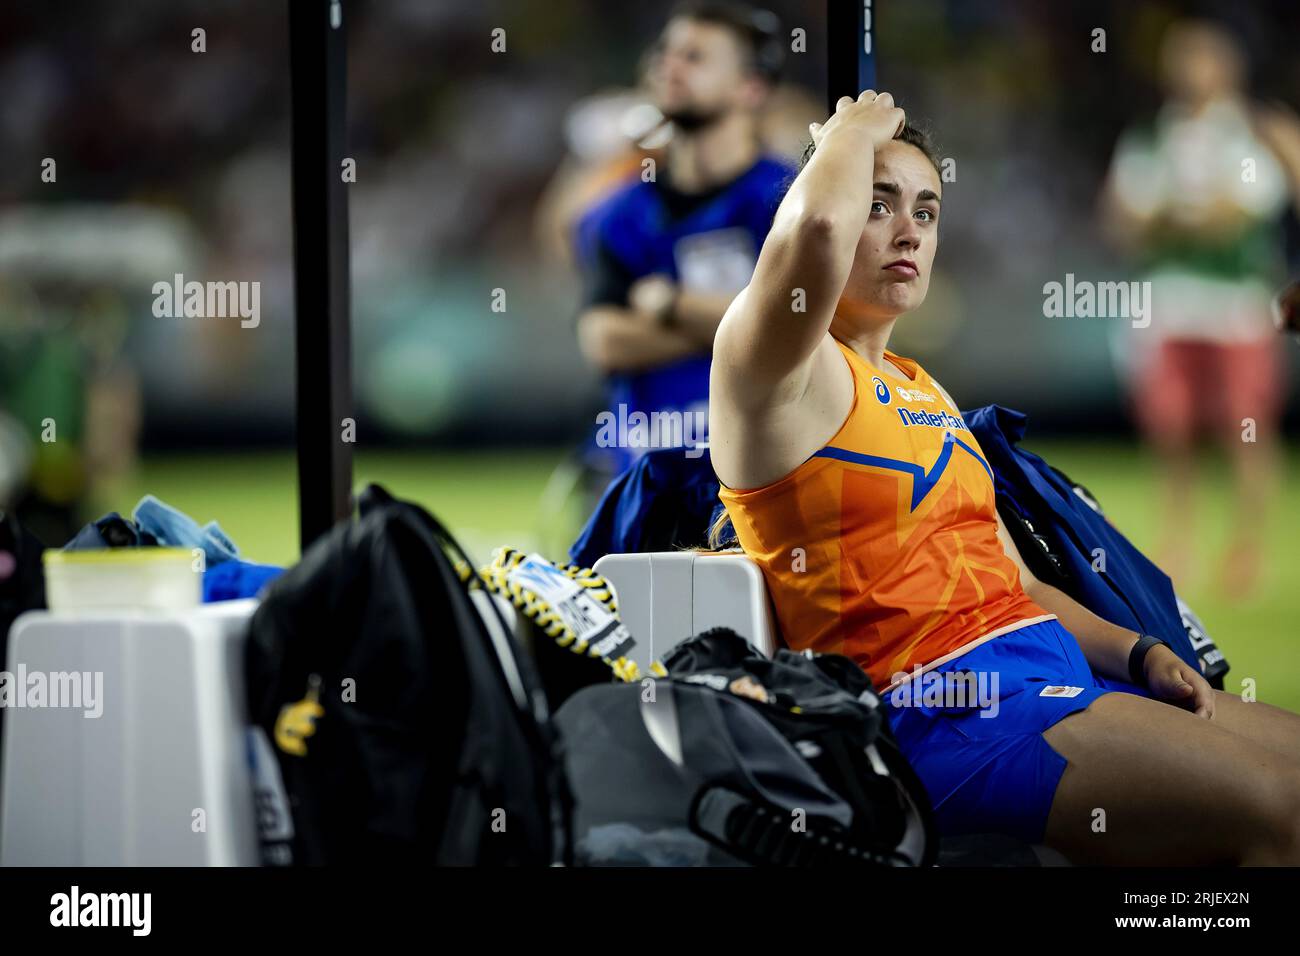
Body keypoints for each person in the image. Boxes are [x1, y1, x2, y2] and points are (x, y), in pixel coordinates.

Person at [707, 89, 1300, 865]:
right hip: (938, 710)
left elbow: (1017, 585)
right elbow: (815, 229)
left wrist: (1137, 651)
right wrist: (848, 134)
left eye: (926, 211)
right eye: (877, 203)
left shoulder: (928, 390)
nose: (907, 231)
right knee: (1282, 813)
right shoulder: (777, 370)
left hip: (1043, 669)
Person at [1100, 19, 1299, 597]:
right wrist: (1181, 214)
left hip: (1235, 305)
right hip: (1168, 304)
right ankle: (1177, 544)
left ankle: (1247, 547)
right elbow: (1121, 219)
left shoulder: (1252, 134)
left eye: (1203, 59)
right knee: (1170, 430)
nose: (1191, 71)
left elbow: (1234, 214)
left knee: (1247, 429)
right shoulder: (1151, 138)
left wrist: (1164, 215)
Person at [573, 1, 795, 485]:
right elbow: (604, 339)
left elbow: (811, 327)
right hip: (645, 475)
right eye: (666, 52)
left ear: (751, 87)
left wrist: (669, 302)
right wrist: (747, 328)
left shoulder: (792, 199)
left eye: (694, 57)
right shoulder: (619, 211)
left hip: (762, 475)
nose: (667, 66)